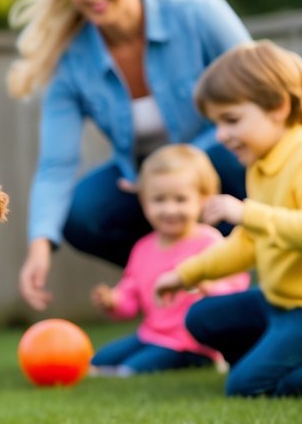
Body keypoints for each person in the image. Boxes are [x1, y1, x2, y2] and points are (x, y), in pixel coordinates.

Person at [8, 0, 251, 311]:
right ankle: (165, 286)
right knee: (81, 213)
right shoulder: (70, 61)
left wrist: (177, 166)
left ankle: (239, 284)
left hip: (227, 170)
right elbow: (55, 166)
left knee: (237, 152)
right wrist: (39, 244)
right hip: (147, 188)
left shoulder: (200, 12)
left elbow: (262, 98)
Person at [154, 40, 302, 399]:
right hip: (282, 299)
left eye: (231, 120)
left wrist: (246, 212)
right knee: (200, 318)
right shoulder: (261, 167)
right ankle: (272, 357)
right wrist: (186, 274)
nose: (221, 135)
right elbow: (249, 243)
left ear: (278, 107)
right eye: (216, 123)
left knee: (246, 387)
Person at [89, 144, 249, 376]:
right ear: (144, 202)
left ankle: (203, 360)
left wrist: (207, 286)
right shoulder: (143, 248)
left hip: (190, 343)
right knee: (97, 361)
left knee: (129, 370)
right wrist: (114, 301)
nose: (169, 209)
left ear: (203, 199)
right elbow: (131, 297)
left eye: (180, 199)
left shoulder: (210, 242)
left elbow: (235, 292)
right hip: (151, 334)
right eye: (159, 200)